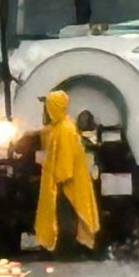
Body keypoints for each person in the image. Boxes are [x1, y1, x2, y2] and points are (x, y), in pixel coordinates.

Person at [34, 89, 100, 252]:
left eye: (48, 107)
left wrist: (59, 182)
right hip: (68, 183)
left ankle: (68, 251)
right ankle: (69, 248)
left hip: (68, 185)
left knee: (68, 217)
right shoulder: (63, 126)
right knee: (70, 216)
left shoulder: (65, 129)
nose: (47, 111)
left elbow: (65, 160)